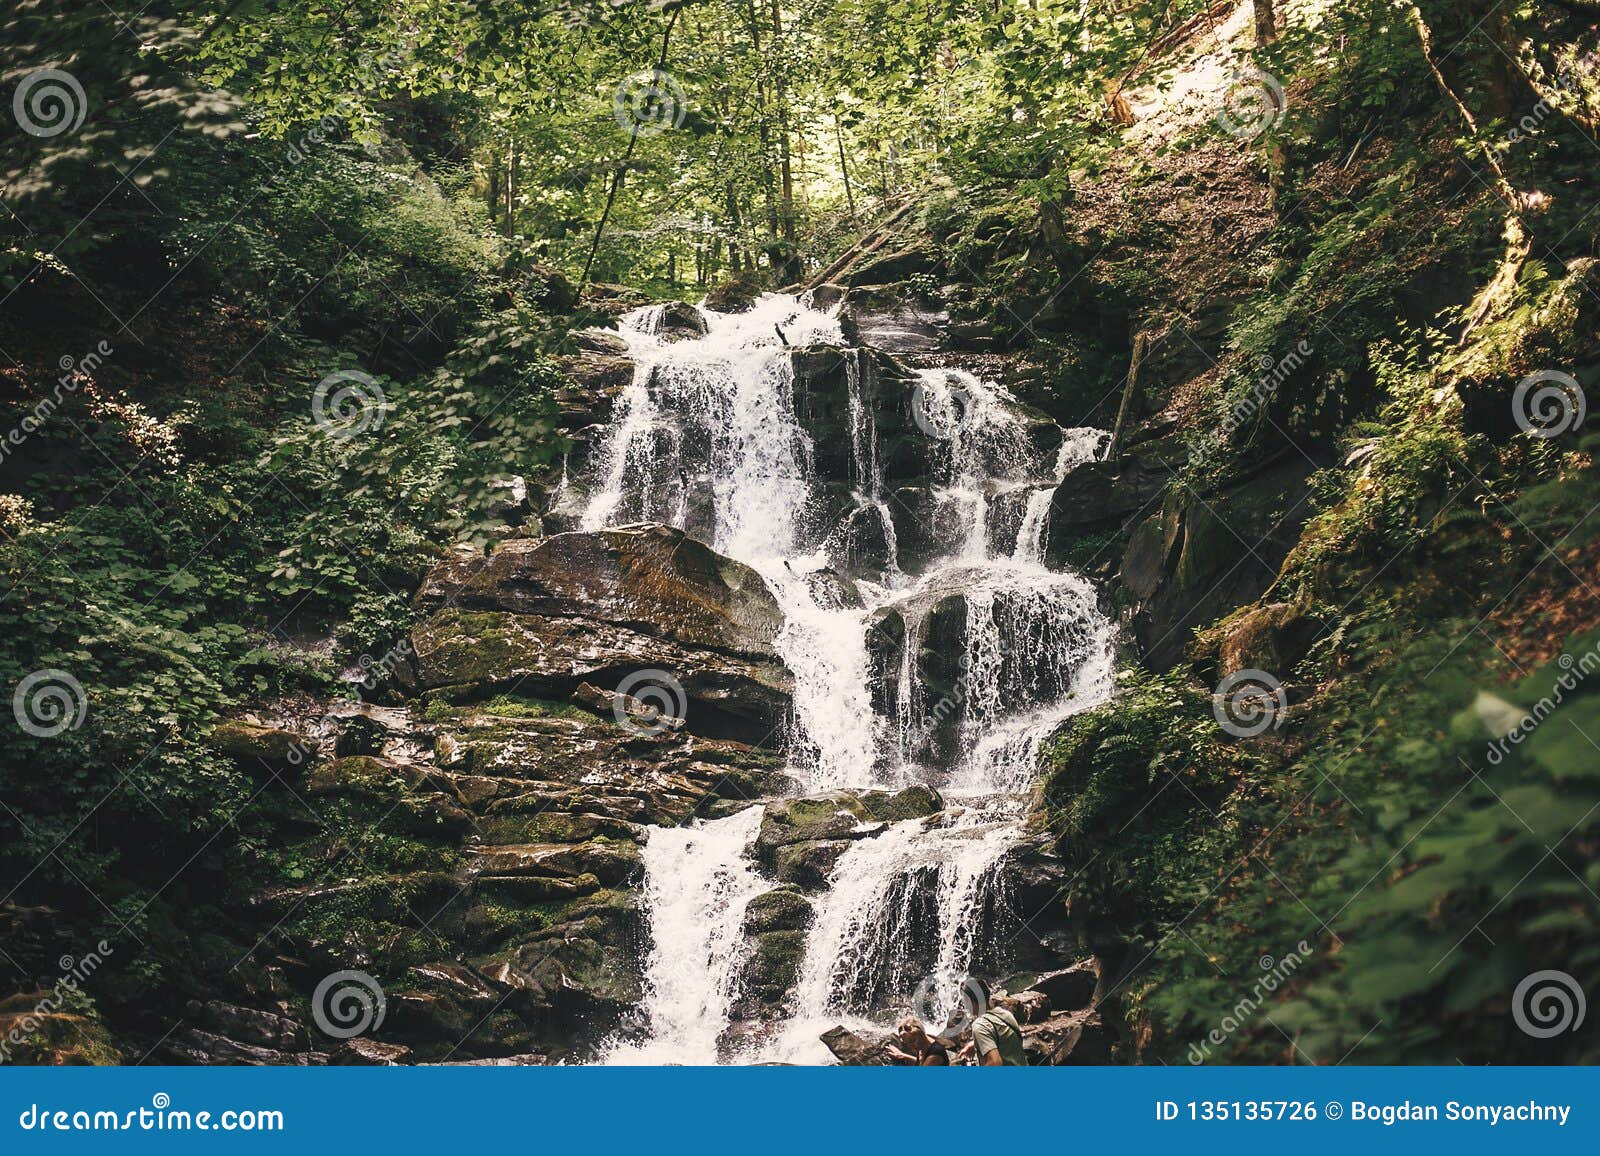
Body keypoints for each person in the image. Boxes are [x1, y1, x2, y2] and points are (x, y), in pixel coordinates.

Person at [957, 978, 1027, 1066]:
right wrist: (975, 1044)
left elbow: (995, 1063)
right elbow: (1001, 1037)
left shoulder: (980, 1025)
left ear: (970, 1002)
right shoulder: (1005, 1014)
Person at [885, 1016, 950, 1066]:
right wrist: (903, 1055)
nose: (912, 1046)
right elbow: (921, 1062)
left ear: (922, 1033)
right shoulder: (923, 1046)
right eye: (908, 1043)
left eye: (913, 1040)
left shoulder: (934, 1055)